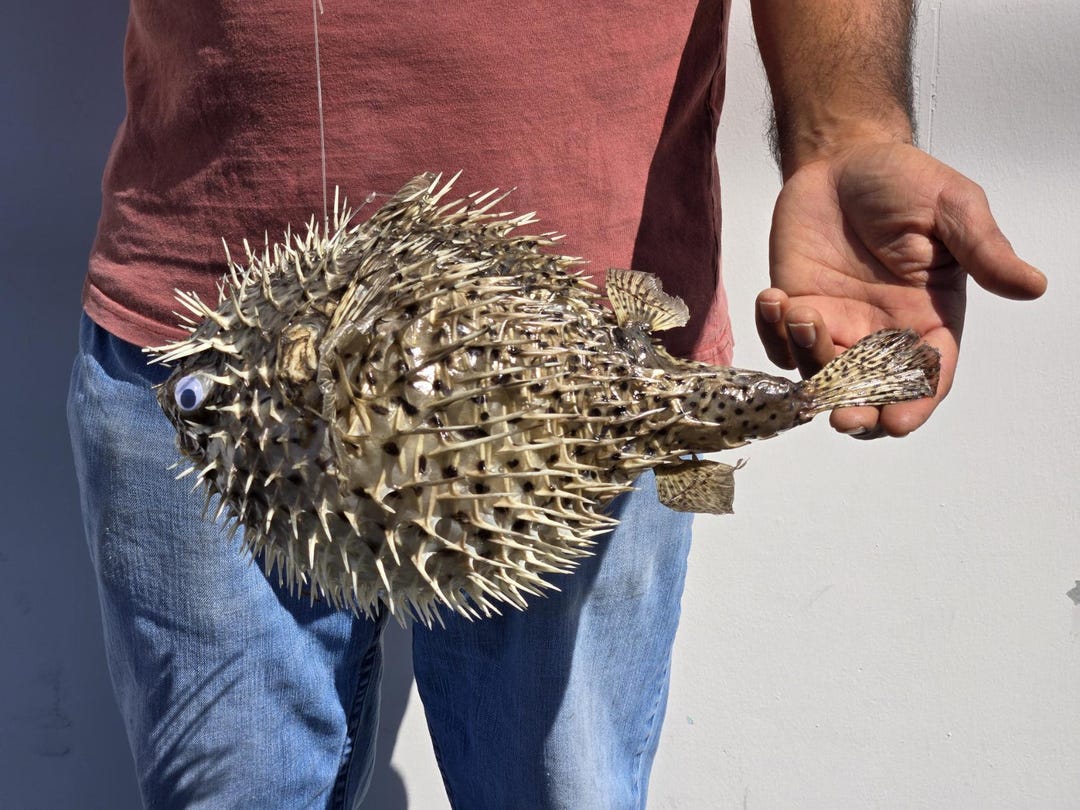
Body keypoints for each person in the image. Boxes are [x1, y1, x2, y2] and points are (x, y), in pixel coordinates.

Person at [66, 2, 1045, 808]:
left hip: (588, 365)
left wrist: (848, 133)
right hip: (191, 290)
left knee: (563, 787)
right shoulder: (218, 388)